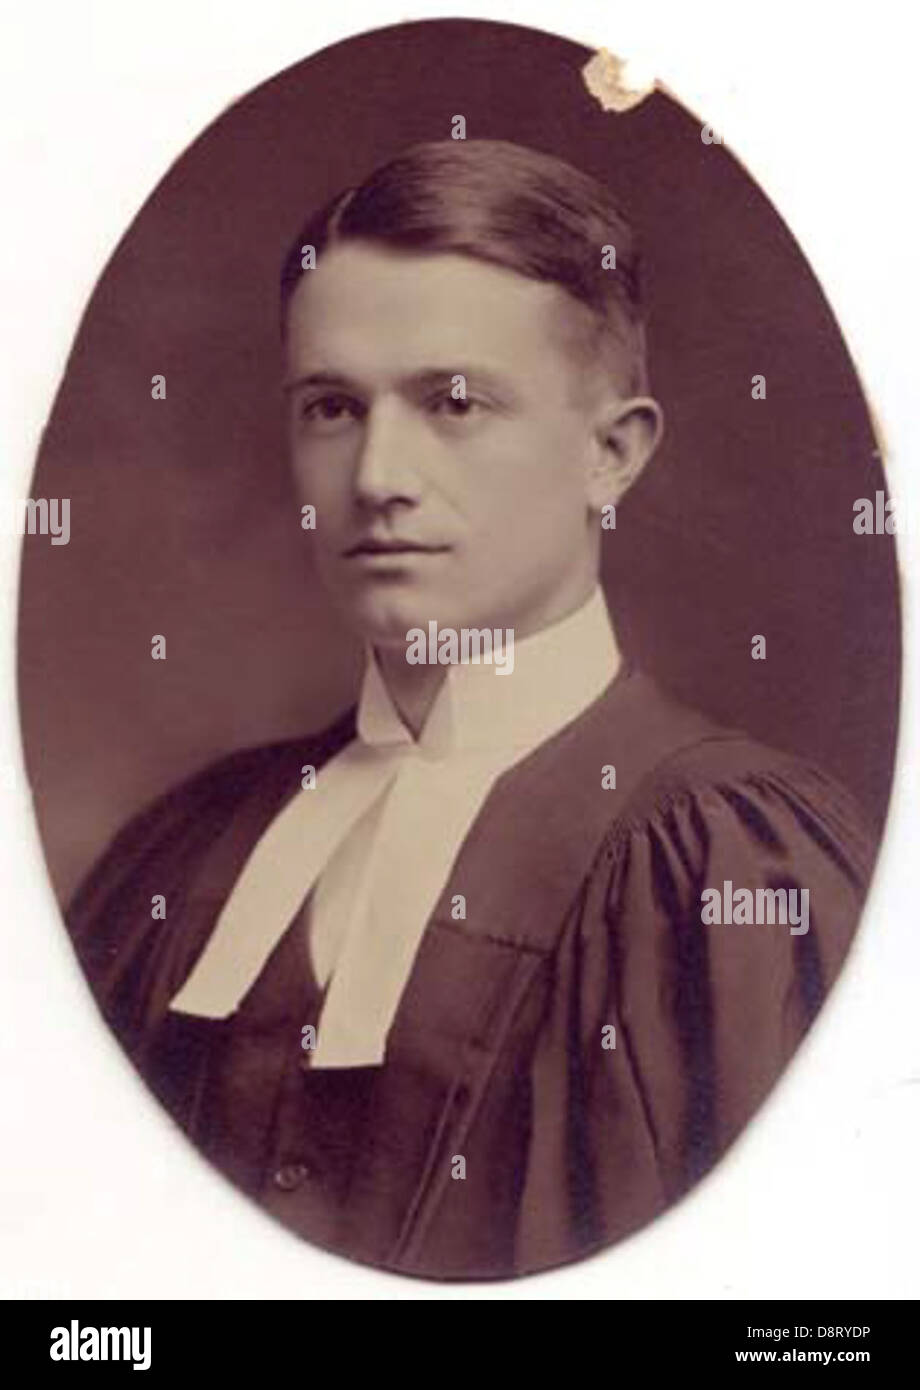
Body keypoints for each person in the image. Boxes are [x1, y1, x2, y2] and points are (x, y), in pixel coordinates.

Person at [66, 139, 876, 1280]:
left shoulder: (731, 860)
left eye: (453, 400)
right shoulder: (186, 845)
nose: (378, 473)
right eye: (333, 406)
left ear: (611, 453)